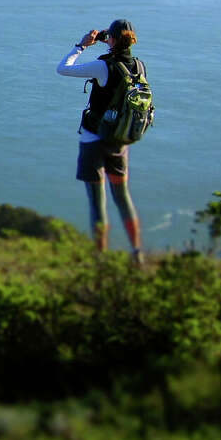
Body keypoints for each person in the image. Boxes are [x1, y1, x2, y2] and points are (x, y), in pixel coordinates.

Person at [56, 18, 145, 264]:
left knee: (98, 203)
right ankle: (137, 252)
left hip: (94, 139)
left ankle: (100, 257)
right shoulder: (138, 66)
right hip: (120, 141)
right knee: (122, 197)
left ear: (112, 39)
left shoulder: (102, 66)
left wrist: (82, 45)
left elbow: (63, 68)